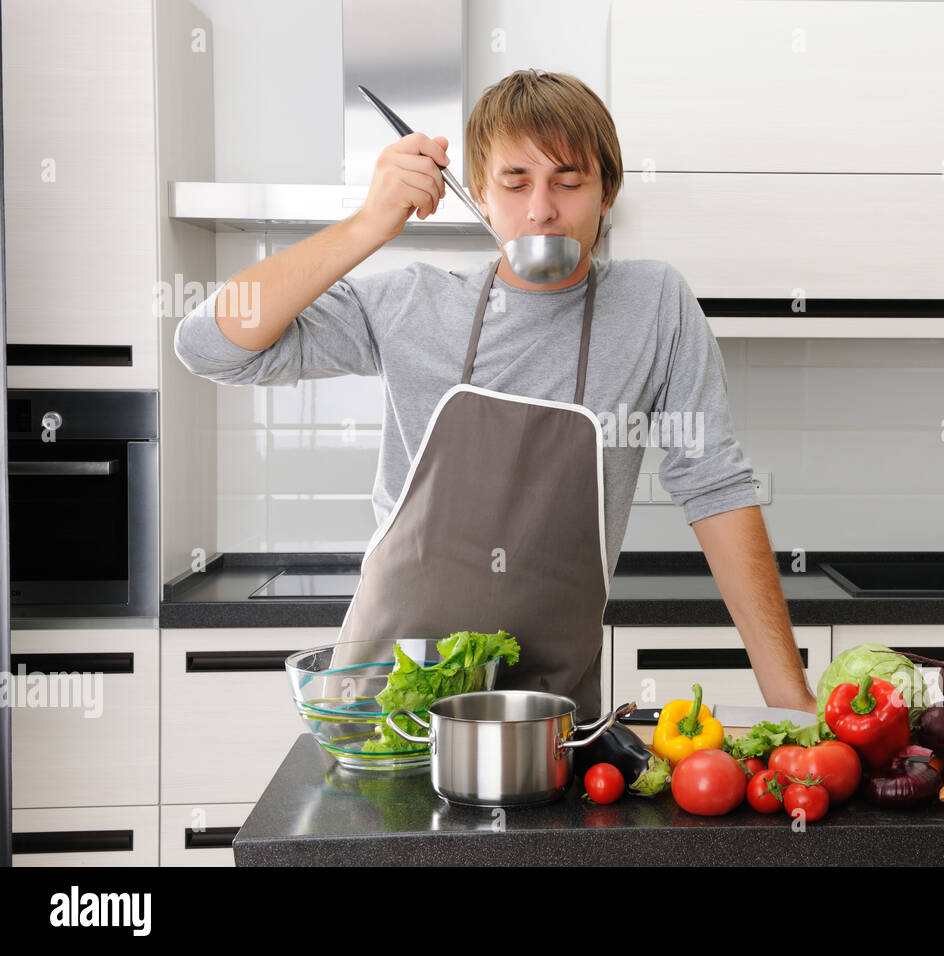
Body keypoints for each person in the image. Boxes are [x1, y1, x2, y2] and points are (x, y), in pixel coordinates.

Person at [174, 69, 816, 717]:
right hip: (386, 703)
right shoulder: (414, 304)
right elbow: (210, 345)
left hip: (548, 711)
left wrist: (789, 700)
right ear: (478, 193)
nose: (541, 208)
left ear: (607, 192)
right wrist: (368, 224)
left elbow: (718, 489)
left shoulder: (654, 306)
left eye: (568, 182)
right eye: (515, 182)